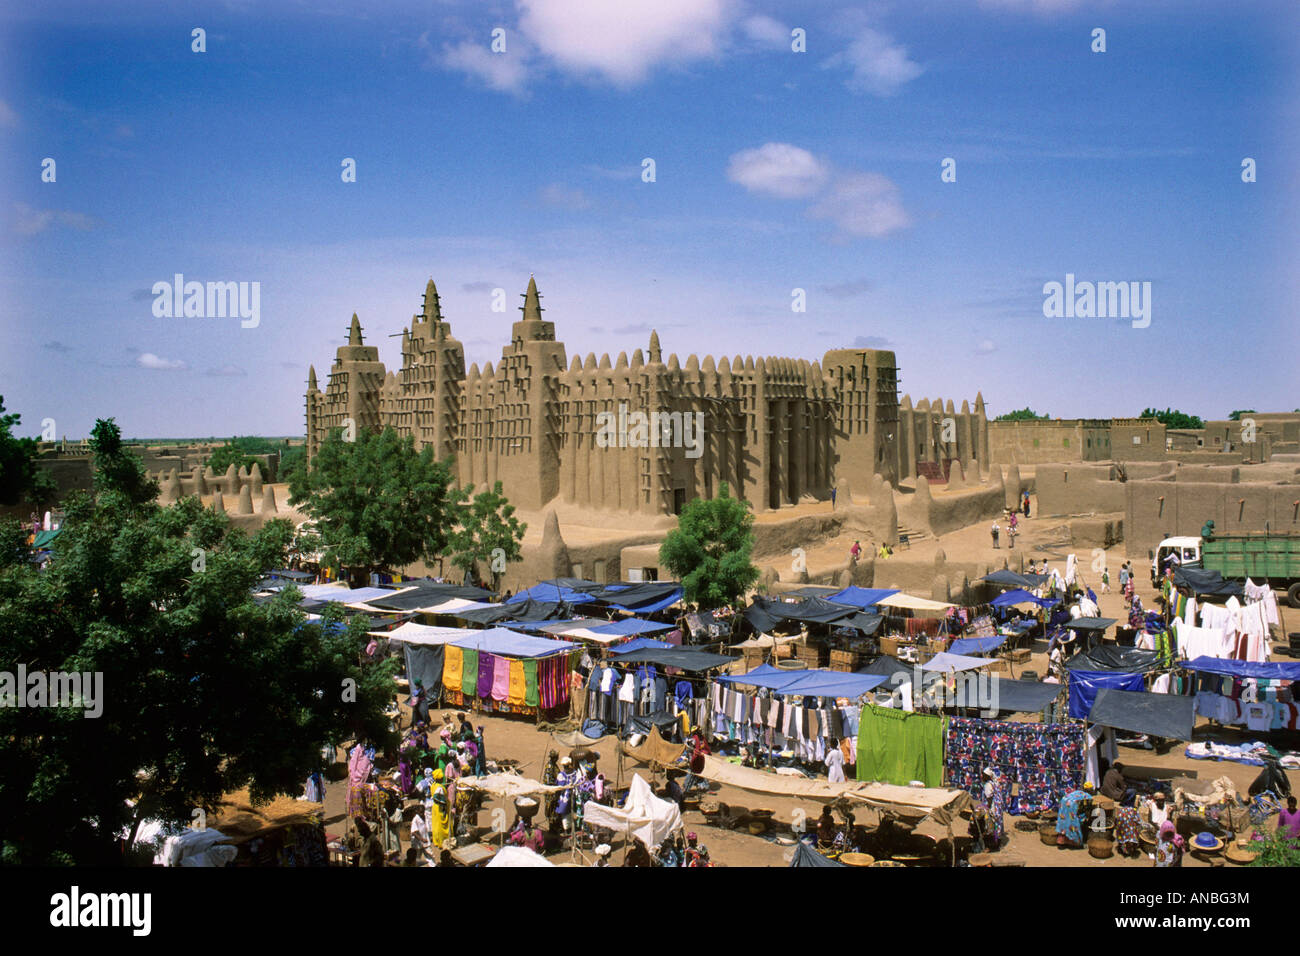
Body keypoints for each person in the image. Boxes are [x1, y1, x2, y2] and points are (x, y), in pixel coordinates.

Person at [980, 766, 1007, 850]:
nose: (982, 776)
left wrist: (987, 809)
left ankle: (993, 845)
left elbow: (989, 798)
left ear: (987, 776)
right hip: (998, 808)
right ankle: (998, 842)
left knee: (991, 825)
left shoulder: (988, 785)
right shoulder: (994, 782)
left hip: (993, 807)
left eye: (983, 775)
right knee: (998, 824)